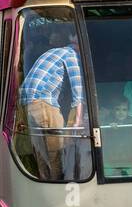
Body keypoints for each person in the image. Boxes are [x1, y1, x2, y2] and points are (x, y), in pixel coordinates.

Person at [19, 26, 86, 180]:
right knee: (57, 152)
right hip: (43, 102)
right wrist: (78, 121)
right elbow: (79, 91)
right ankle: (59, 187)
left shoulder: (53, 52)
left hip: (28, 103)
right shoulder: (71, 55)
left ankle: (45, 182)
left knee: (42, 154)